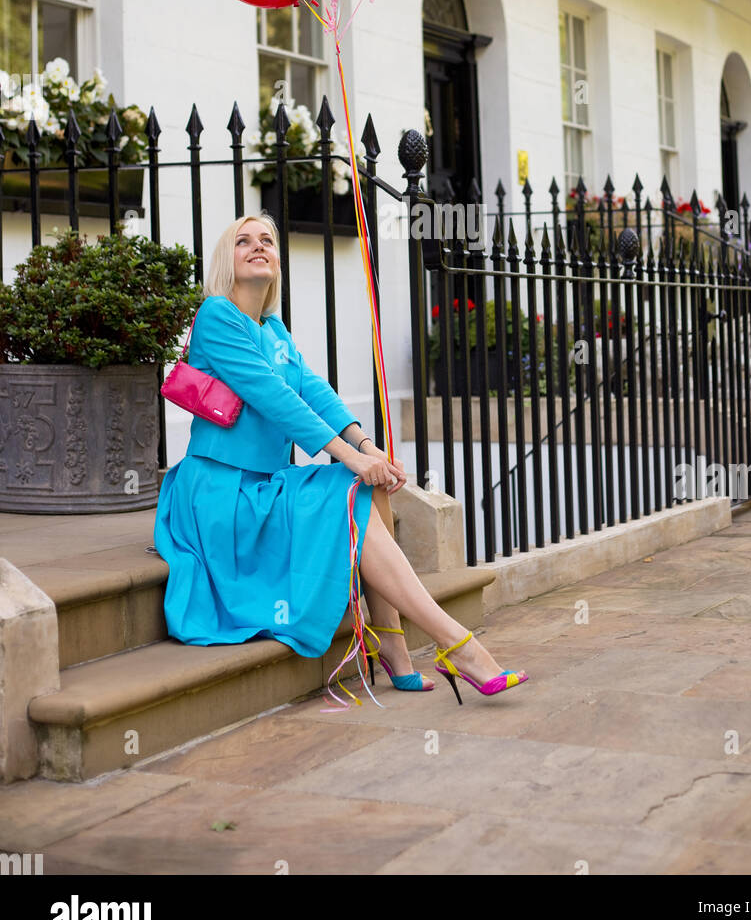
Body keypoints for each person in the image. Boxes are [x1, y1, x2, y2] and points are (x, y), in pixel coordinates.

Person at [154, 213, 527, 702]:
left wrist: (369, 448)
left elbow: (313, 392)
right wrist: (347, 458)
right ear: (229, 260)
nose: (257, 246)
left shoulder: (275, 329)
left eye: (266, 239)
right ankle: (457, 645)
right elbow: (274, 397)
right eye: (243, 241)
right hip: (221, 492)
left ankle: (396, 647)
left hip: (263, 486)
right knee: (349, 490)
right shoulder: (217, 317)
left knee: (369, 487)